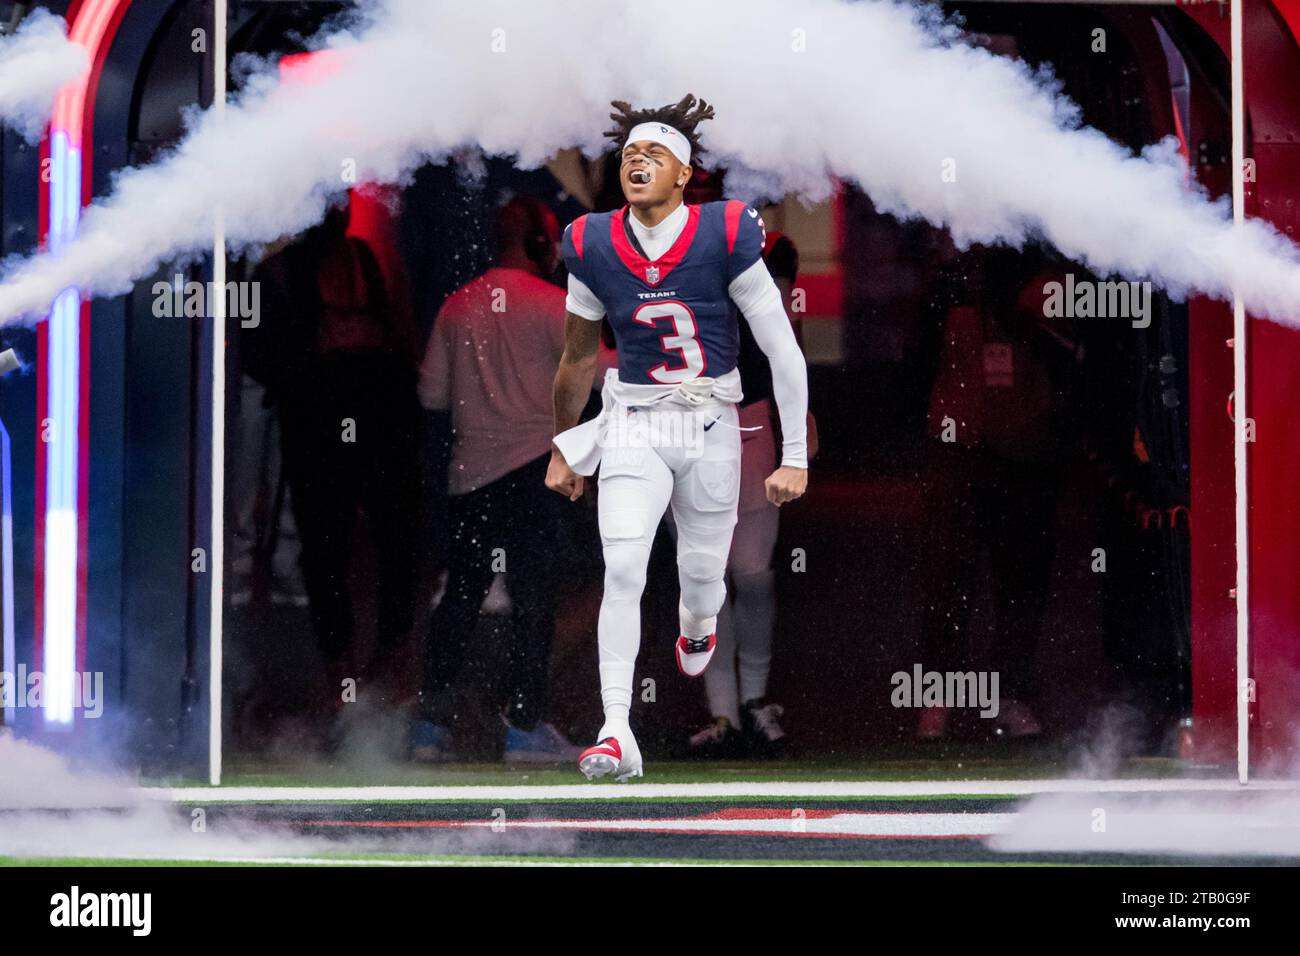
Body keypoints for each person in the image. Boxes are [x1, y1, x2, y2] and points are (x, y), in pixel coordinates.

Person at [546, 95, 811, 780]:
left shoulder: (725, 232)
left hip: (712, 425)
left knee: (703, 578)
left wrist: (794, 456)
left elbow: (781, 350)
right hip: (634, 421)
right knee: (624, 567)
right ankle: (614, 732)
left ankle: (699, 621)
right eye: (629, 152)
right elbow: (577, 359)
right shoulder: (592, 241)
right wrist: (562, 446)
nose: (637, 160)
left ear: (685, 173)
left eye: (654, 152)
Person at [415, 195, 584, 762]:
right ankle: (524, 726)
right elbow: (603, 370)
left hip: (470, 476)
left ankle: (429, 727)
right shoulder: (553, 303)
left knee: (460, 597)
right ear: (539, 242)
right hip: (536, 471)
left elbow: (431, 395)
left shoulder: (457, 307)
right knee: (534, 601)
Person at [247, 203, 422, 720]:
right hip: (317, 415)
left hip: (375, 409)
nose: (339, 212)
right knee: (325, 541)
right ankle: (337, 664)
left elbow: (399, 333)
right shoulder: (277, 271)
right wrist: (306, 369)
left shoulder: (368, 258)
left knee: (398, 535)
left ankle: (390, 657)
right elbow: (258, 352)